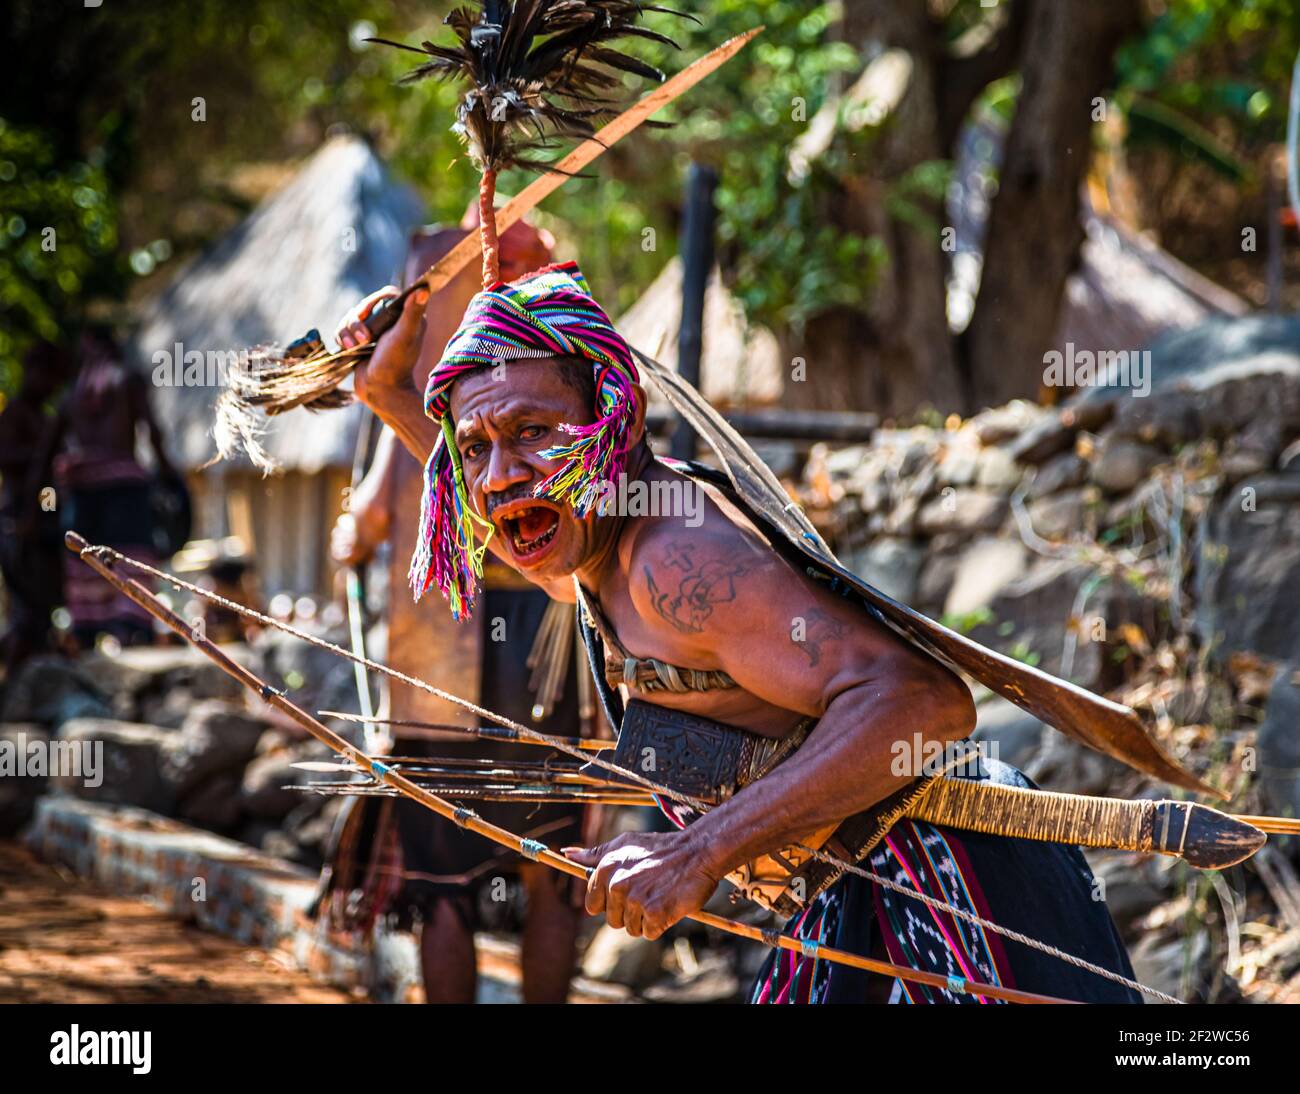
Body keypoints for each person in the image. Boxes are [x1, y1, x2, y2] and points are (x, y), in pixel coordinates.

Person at [332, 254, 1150, 1004]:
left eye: (534, 433)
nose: (501, 477)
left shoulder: (675, 560)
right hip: (847, 896)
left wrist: (695, 853)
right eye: (472, 450)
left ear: (615, 416)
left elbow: (923, 703)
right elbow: (514, 512)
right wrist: (389, 395)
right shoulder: (593, 534)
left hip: (957, 885)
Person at [328, 211, 599, 1004]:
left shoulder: (433, 368)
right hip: (542, 656)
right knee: (551, 871)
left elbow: (371, 520)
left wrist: (354, 534)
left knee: (443, 883)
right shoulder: (564, 358)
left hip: (443, 665)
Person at [48, 327, 179, 649]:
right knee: (131, 555)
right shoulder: (127, 380)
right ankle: (132, 627)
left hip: (83, 491)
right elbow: (153, 430)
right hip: (124, 486)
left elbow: (48, 447)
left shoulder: (72, 392)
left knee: (86, 561)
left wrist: (38, 500)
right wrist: (168, 474)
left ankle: (89, 630)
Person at [0, 340, 71, 671]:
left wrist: (46, 510)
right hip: (18, 521)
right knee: (26, 613)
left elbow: (47, 488)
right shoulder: (15, 414)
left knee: (41, 611)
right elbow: (9, 460)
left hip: (38, 521)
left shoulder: (43, 418)